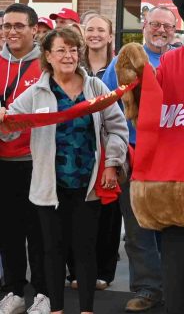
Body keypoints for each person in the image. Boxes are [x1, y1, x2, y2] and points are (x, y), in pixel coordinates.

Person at [0, 27, 129, 314]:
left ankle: (86, 310)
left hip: (88, 186)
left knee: (85, 250)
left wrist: (111, 164)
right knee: (53, 251)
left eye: (73, 50)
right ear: (48, 55)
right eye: (61, 50)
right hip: (49, 188)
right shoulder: (36, 92)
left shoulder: (96, 87)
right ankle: (56, 309)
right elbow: (10, 129)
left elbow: (118, 129)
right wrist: (3, 118)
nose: (68, 56)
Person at [100, 6, 176, 312]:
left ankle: (176, 286)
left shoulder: (181, 60)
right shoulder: (124, 61)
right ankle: (148, 288)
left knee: (173, 227)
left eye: (167, 26)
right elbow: (107, 107)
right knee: (137, 228)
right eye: (155, 24)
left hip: (172, 157)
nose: (161, 30)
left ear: (175, 30)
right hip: (133, 154)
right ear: (144, 25)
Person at [0, 3, 47, 314]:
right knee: (9, 233)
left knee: (40, 234)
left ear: (34, 29)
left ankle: (43, 294)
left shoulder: (47, 64)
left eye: (19, 25)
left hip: (36, 162)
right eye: (7, 26)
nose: (12, 31)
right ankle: (15, 292)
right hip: (3, 163)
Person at [70, 13, 122, 291]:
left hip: (108, 147)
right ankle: (76, 270)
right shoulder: (72, 65)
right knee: (77, 212)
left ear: (110, 36)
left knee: (108, 212)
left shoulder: (119, 68)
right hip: (75, 149)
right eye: (90, 30)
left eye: (101, 30)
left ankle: (104, 270)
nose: (95, 35)